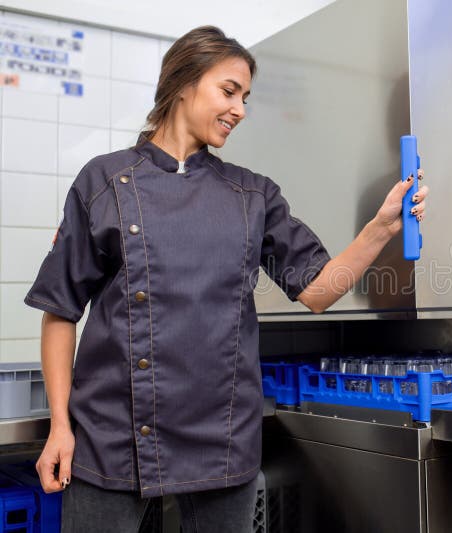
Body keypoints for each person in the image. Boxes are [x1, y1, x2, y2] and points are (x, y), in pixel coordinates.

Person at [24, 25, 428, 532]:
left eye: (246, 97)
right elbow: (60, 310)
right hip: (112, 440)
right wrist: (61, 426)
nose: (240, 109)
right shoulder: (103, 182)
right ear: (183, 83)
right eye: (229, 91)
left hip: (220, 443)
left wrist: (380, 228)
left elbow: (319, 291)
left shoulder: (251, 195)